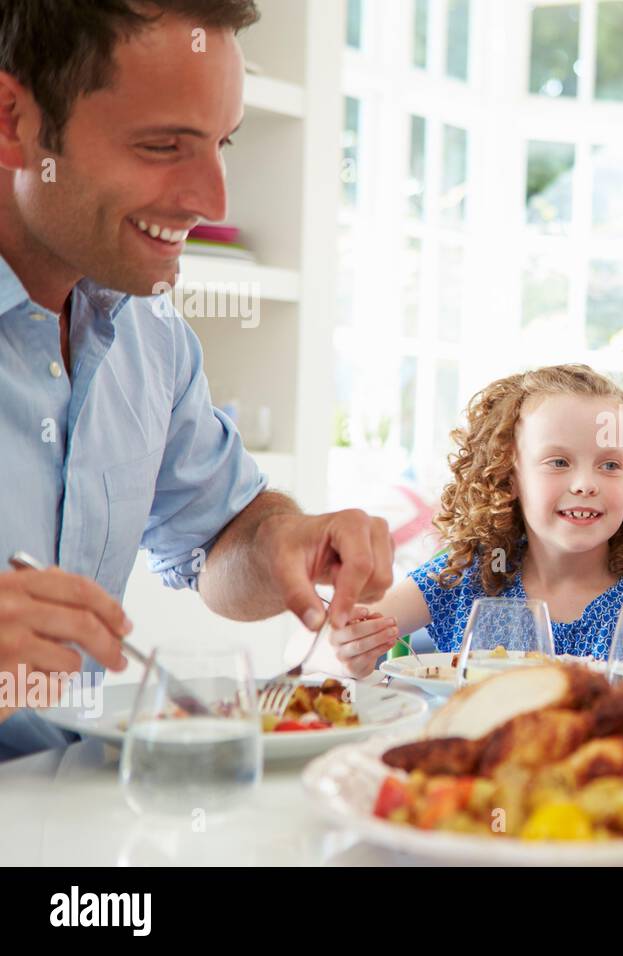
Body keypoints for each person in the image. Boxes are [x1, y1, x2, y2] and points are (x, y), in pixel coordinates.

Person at [0, 0, 391, 759]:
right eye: (161, 146)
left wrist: (282, 542)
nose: (213, 201)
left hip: (89, 805)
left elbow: (218, 540)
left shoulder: (149, 334)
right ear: (13, 121)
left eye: (222, 143)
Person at [329, 365, 623, 674]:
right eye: (558, 462)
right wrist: (349, 651)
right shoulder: (469, 576)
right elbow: (336, 638)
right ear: (510, 477)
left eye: (609, 465)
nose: (585, 484)